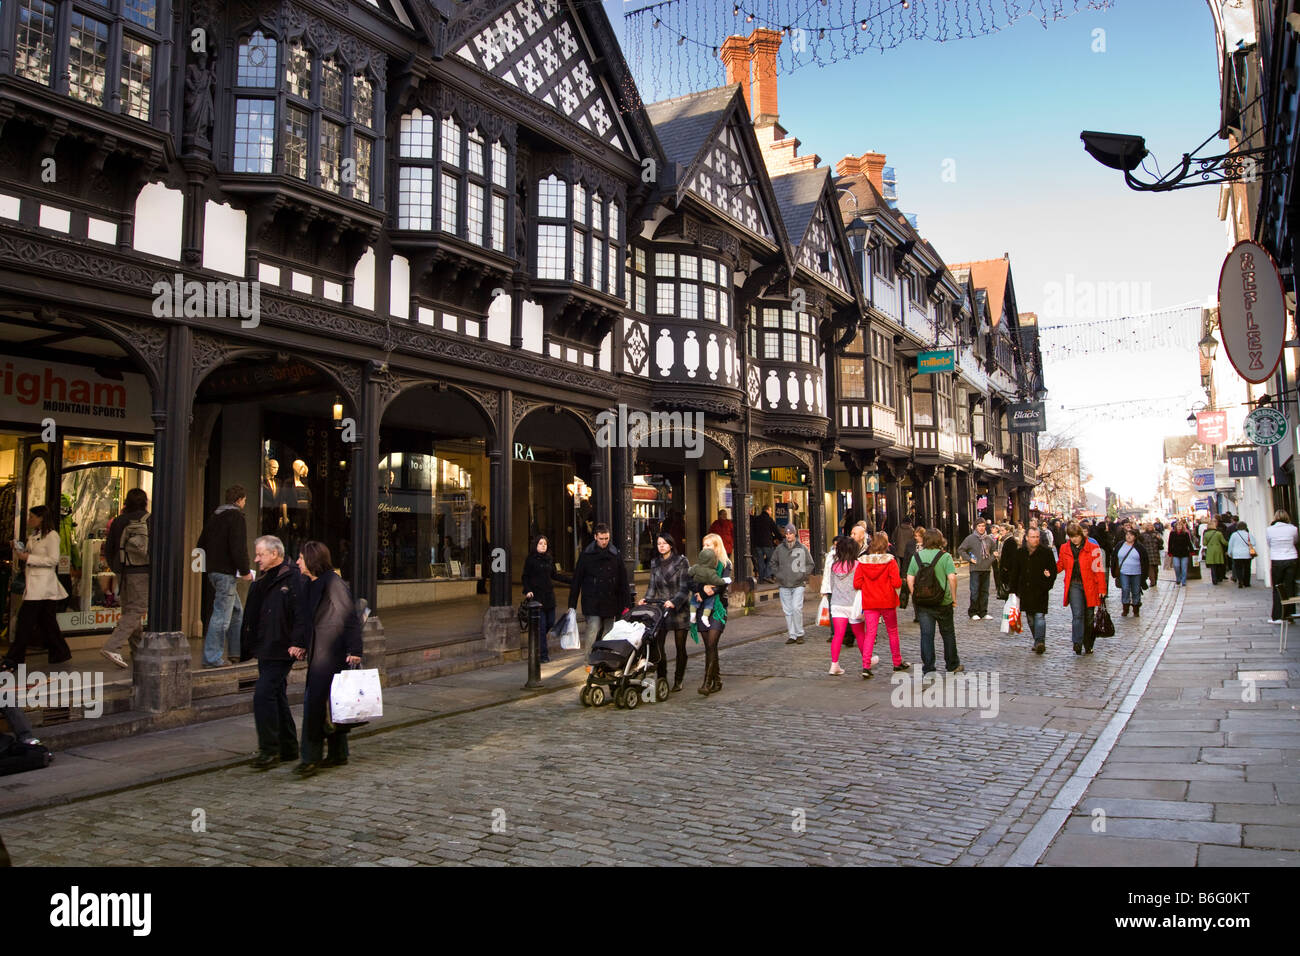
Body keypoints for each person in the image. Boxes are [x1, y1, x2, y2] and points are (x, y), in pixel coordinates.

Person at [293, 541, 362, 777]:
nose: (297, 562)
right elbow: (306, 619)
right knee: (332, 705)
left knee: (316, 705)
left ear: (311, 560)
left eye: (301, 558)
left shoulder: (333, 583)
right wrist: (301, 644)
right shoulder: (308, 584)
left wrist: (355, 648)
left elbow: (349, 616)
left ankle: (310, 758)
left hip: (331, 655)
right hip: (318, 653)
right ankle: (338, 753)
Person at [241, 535, 305, 769]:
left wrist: (298, 642)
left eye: (260, 554)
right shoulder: (264, 578)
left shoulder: (292, 577)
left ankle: (270, 749)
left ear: (275, 554)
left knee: (263, 694)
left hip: (282, 646)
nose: (256, 559)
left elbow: (301, 614)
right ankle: (288, 747)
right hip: (265, 645)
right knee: (276, 694)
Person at [1, 506, 72, 671]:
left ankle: (14, 658)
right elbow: (32, 554)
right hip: (35, 584)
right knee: (47, 622)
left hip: (43, 585)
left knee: (25, 621)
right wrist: (19, 549)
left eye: (32, 517)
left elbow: (53, 560)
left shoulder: (52, 536)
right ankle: (60, 651)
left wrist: (29, 557)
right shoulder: (34, 536)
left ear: (41, 518)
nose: (29, 520)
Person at [197, 485, 254, 668]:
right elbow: (238, 547)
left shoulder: (215, 516)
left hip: (213, 571)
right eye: (244, 500)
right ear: (239, 500)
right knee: (222, 615)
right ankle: (212, 658)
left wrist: (205, 566)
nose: (245, 503)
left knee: (236, 611)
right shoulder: (236, 517)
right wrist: (245, 570)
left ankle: (236, 653)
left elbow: (201, 543)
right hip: (226, 573)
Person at [99, 488, 151, 670]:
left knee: (130, 609)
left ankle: (138, 652)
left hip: (123, 571)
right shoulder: (149, 519)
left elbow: (110, 548)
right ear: (145, 502)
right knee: (137, 609)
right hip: (142, 570)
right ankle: (112, 646)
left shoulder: (118, 521)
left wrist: (117, 569)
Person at [566, 523, 631, 655]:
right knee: (593, 628)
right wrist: (571, 605)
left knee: (609, 631)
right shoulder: (586, 555)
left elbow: (623, 581)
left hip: (610, 600)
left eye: (606, 538)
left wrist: (627, 604)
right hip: (592, 600)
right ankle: (588, 661)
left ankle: (603, 658)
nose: (604, 542)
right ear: (595, 537)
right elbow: (577, 580)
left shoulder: (615, 554)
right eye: (601, 538)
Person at [907, 528, 962, 679]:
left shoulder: (916, 557)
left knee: (926, 635)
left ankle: (929, 669)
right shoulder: (945, 557)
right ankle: (952, 665)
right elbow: (952, 578)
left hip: (923, 604)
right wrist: (954, 598)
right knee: (948, 634)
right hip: (943, 602)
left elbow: (910, 578)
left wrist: (915, 596)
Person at [639, 533, 690, 691]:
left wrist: (674, 602)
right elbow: (652, 587)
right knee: (658, 646)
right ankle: (662, 679)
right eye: (659, 543)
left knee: (680, 646)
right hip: (661, 609)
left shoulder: (681, 561)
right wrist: (646, 600)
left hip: (679, 608)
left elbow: (684, 588)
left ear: (670, 545)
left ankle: (678, 679)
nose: (661, 546)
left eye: (664, 543)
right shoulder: (655, 563)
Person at [854, 532, 908, 676]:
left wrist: (868, 586)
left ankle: (866, 665)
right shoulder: (890, 561)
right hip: (887, 600)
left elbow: (857, 583)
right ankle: (897, 662)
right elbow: (896, 582)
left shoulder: (862, 562)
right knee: (892, 631)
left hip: (870, 601)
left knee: (870, 633)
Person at [821, 536, 871, 676]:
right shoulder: (857, 565)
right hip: (853, 604)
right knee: (860, 634)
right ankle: (866, 662)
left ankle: (834, 664)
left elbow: (832, 585)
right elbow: (861, 584)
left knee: (838, 635)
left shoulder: (834, 566)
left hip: (837, 603)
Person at [1057, 521, 1107, 655]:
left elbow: (1099, 570)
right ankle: (1077, 642)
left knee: (1089, 617)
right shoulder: (1064, 548)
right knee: (1078, 614)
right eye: (1071, 536)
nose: (1074, 539)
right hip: (1074, 584)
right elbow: (1060, 564)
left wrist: (1102, 589)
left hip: (1090, 585)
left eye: (1076, 536)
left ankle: (1088, 643)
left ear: (1081, 535)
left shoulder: (1093, 547)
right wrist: (1049, 571)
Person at [696, 532, 732, 695]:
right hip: (702, 608)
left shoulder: (725, 564)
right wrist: (701, 588)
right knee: (710, 647)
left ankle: (707, 682)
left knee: (711, 644)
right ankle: (717, 680)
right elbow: (693, 582)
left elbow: (722, 585)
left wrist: (705, 590)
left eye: (708, 545)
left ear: (716, 547)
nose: (705, 548)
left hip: (718, 609)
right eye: (704, 545)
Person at [1013, 527, 1057, 654]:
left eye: (1037, 537)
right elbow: (1015, 572)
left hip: (1040, 590)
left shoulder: (1046, 552)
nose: (1035, 540)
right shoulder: (1021, 552)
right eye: (1032, 537)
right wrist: (1013, 590)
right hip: (1025, 591)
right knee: (1031, 619)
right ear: (1027, 537)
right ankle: (1037, 640)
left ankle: (1040, 642)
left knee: (1040, 616)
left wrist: (1048, 582)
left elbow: (1053, 571)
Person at [521, 535, 564, 664]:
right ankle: (543, 655)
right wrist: (528, 590)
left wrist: (572, 580)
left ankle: (537, 640)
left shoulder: (549, 559)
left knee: (550, 622)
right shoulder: (530, 560)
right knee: (542, 625)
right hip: (537, 597)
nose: (543, 546)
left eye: (545, 544)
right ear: (536, 545)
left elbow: (554, 575)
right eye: (540, 543)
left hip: (549, 597)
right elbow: (525, 577)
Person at [771, 522, 812, 646]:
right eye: (787, 533)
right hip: (784, 584)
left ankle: (800, 633)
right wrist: (779, 575)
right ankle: (792, 635)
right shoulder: (779, 549)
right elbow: (773, 563)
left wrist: (803, 575)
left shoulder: (802, 548)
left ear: (795, 534)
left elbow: (810, 564)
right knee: (788, 610)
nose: (788, 535)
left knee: (796, 608)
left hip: (798, 584)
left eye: (791, 533)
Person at [1267, 509, 1299, 624]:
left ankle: (1277, 616)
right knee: (1290, 587)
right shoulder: (1293, 529)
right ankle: (1290, 615)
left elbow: (1269, 543)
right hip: (1291, 558)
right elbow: (1295, 541)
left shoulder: (1270, 530)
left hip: (1277, 559)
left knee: (1277, 587)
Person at [687, 548, 727, 630]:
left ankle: (692, 614)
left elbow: (689, 573)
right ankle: (705, 616)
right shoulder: (711, 571)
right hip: (708, 593)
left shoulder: (695, 567)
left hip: (697, 592)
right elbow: (717, 581)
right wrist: (723, 581)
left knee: (693, 602)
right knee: (709, 604)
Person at [1112, 529, 1146, 618]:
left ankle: (1136, 608)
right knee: (1125, 589)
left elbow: (1145, 560)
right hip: (1124, 571)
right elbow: (1114, 557)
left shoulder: (1139, 547)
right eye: (1127, 535)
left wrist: (1145, 574)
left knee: (1136, 590)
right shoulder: (1120, 545)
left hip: (1137, 572)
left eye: (1131, 535)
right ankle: (1125, 608)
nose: (1129, 536)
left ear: (1135, 537)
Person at [750, 505, 780, 582]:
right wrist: (780, 538)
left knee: (760, 561)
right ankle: (767, 575)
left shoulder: (756, 519)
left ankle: (761, 578)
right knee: (772, 559)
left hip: (757, 544)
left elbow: (752, 532)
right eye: (770, 510)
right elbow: (775, 531)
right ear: (767, 510)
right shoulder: (769, 520)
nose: (771, 512)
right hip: (767, 543)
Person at [894, 522, 916, 614]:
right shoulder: (911, 530)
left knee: (903, 563)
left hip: (901, 550)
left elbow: (894, 536)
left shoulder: (898, 527)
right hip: (909, 552)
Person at [1226, 520, 1255, 589]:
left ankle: (1240, 581)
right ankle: (1247, 583)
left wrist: (1229, 552)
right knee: (1247, 568)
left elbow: (1230, 544)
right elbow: (1253, 543)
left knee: (1238, 568)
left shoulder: (1234, 535)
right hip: (1247, 554)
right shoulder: (1248, 534)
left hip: (1237, 554)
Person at [1167, 519, 1193, 587]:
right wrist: (1169, 552)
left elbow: (1189, 543)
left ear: (1182, 526)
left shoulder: (1185, 533)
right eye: (1178, 525)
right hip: (1175, 553)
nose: (1179, 527)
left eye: (1180, 525)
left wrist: (1192, 550)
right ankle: (1178, 578)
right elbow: (1170, 543)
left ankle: (1184, 581)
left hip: (1184, 553)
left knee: (1184, 567)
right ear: (1175, 527)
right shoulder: (1172, 533)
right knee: (1176, 566)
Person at [1201, 518, 1228, 586]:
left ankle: (1214, 579)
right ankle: (1219, 577)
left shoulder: (1206, 534)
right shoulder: (1219, 533)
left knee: (1212, 566)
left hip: (1210, 551)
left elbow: (1204, 543)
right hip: (1218, 550)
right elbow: (1224, 542)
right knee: (1218, 564)